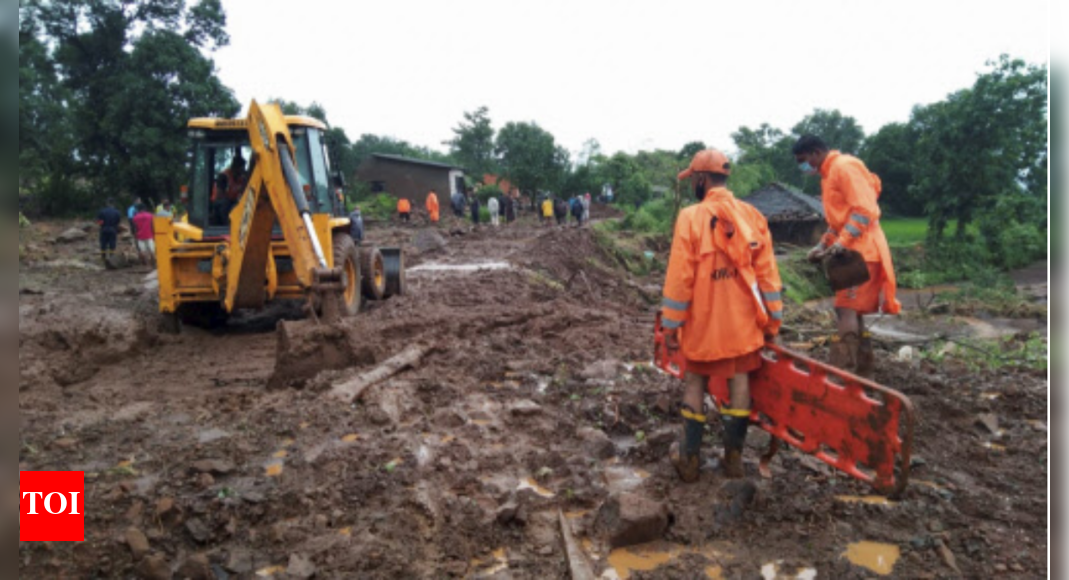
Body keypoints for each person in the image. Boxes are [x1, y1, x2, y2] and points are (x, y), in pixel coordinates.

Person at [662, 149, 784, 482]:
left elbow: (679, 277)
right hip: (743, 324)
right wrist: (773, 322)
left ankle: (689, 461)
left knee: (695, 380)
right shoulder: (753, 216)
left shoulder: (690, 217)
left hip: (703, 323)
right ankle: (733, 460)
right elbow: (768, 277)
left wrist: (670, 325)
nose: (693, 187)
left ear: (701, 180)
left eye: (693, 181)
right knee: (739, 379)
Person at [792, 135, 901, 379]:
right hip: (853, 250)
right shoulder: (828, 174)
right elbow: (838, 222)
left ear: (815, 152)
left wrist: (840, 244)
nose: (803, 166)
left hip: (861, 253)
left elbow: (864, 211)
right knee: (854, 313)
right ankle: (863, 371)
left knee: (845, 310)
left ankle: (845, 373)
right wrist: (821, 246)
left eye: (803, 160)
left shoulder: (845, 167)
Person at [97, 199, 123, 267]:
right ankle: (112, 258)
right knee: (112, 243)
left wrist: (102, 226)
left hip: (104, 229)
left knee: (103, 243)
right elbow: (118, 221)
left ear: (107, 203)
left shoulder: (102, 211)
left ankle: (103, 257)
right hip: (113, 229)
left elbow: (99, 221)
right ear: (114, 204)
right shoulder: (117, 212)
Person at [131, 203, 157, 268]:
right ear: (145, 209)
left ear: (138, 209)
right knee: (152, 250)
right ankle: (153, 262)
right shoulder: (150, 215)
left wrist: (134, 234)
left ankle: (146, 264)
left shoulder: (135, 217)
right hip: (149, 234)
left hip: (140, 236)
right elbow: (153, 225)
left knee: (142, 250)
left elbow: (134, 228)